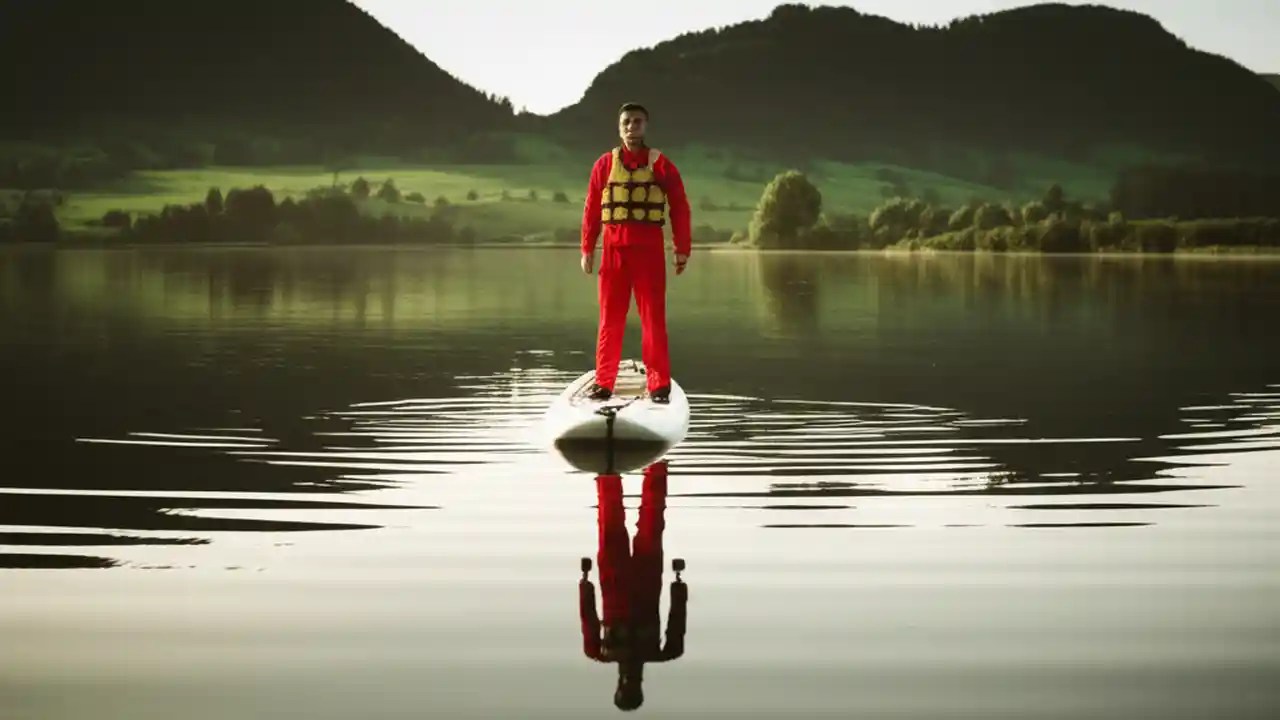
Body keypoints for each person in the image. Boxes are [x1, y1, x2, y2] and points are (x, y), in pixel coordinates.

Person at [580, 102, 692, 404]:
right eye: (627, 122)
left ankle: (658, 385)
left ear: (646, 126)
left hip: (649, 252)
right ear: (619, 127)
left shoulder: (661, 164)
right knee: (609, 319)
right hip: (613, 252)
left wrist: (682, 249)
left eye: (638, 122)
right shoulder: (604, 164)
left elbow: (680, 206)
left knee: (653, 319)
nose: (632, 127)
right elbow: (592, 207)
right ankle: (604, 383)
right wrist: (587, 247)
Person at [578, 461, 688, 711]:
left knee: (614, 520)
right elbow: (677, 621)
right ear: (639, 688)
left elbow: (588, 616)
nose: (628, 683)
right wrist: (678, 587)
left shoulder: (599, 652)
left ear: (618, 687)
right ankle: (653, 465)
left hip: (616, 581)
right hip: (644, 582)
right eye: (631, 689)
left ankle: (613, 471)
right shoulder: (664, 653)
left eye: (624, 688)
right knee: (646, 519)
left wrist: (585, 585)